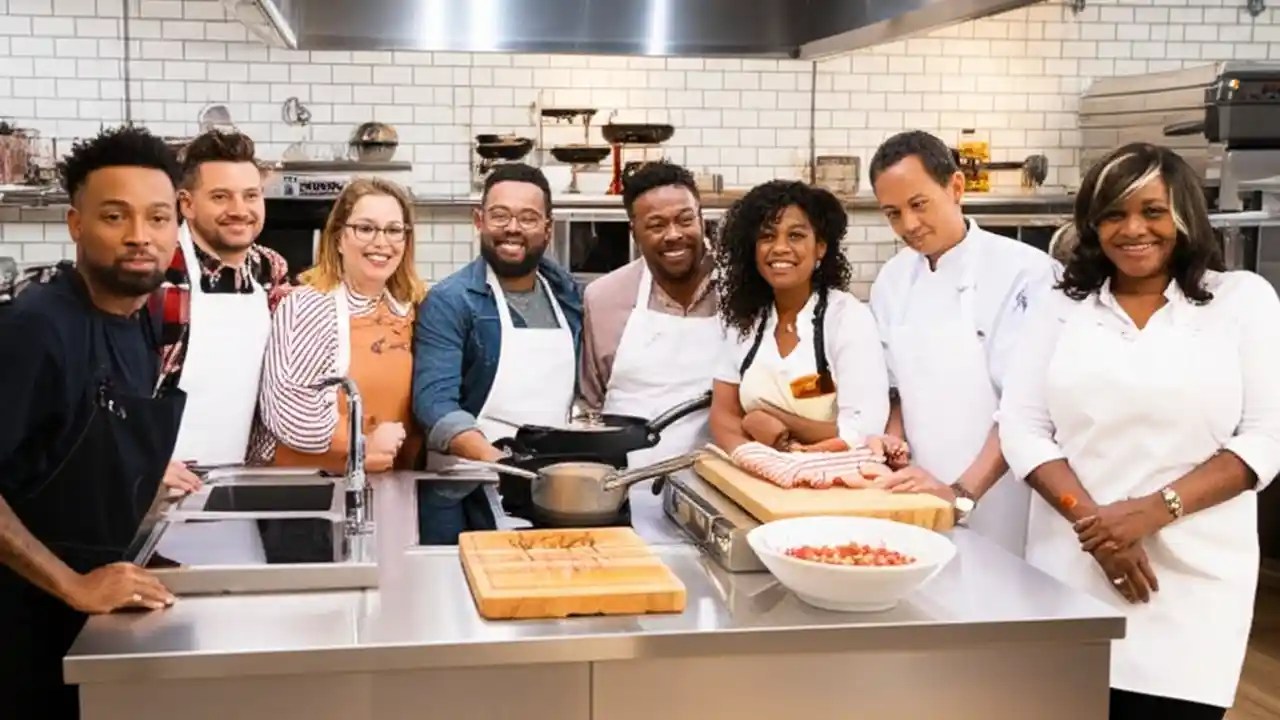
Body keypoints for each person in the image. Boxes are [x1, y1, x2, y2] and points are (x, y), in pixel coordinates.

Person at [998, 143, 1280, 720]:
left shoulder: (1241, 301)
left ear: (1185, 216)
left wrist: (1155, 511)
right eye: (1113, 214)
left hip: (1193, 590)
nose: (1133, 230)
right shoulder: (1061, 306)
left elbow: (1264, 438)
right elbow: (1024, 428)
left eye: (1152, 211)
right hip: (1070, 571)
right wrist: (1096, 527)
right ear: (1093, 225)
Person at [0, 126, 185, 718]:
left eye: (158, 218)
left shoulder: (144, 315)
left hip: (91, 608)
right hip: (24, 621)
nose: (140, 237)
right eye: (114, 216)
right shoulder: (36, 327)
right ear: (75, 223)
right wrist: (73, 584)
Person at [867, 130, 1058, 557]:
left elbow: (1025, 408)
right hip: (919, 496)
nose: (909, 225)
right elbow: (896, 388)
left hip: (1004, 496)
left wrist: (962, 493)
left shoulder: (1026, 273)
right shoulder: (892, 281)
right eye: (893, 213)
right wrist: (892, 447)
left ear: (956, 187)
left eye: (919, 205)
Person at [413, 163, 582, 544]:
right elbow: (434, 402)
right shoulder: (451, 301)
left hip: (550, 490)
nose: (513, 228)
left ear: (548, 229)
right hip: (466, 491)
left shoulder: (567, 297)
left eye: (528, 218)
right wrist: (503, 465)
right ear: (479, 220)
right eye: (500, 215)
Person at [256, 178, 426, 472]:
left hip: (389, 479)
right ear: (338, 238)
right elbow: (288, 407)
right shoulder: (307, 305)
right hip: (308, 484)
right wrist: (360, 443)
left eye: (394, 230)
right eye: (365, 228)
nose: (381, 242)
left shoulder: (412, 308)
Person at [709, 180, 889, 454]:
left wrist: (776, 423)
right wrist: (756, 458)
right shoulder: (745, 320)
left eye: (795, 235)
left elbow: (861, 432)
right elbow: (723, 416)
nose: (780, 247)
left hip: (834, 481)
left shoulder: (847, 319)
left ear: (820, 248)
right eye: (767, 236)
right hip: (755, 477)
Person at [158, 129, 290, 493]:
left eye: (251, 196)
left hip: (238, 481)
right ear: (186, 204)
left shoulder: (270, 268)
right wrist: (142, 463)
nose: (239, 210)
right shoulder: (158, 271)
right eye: (220, 197)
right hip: (158, 487)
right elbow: (107, 384)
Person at [580, 161, 720, 467]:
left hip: (719, 485)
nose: (673, 235)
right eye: (656, 225)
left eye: (685, 220)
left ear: (702, 220)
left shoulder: (739, 293)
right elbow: (592, 403)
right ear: (634, 232)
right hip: (624, 486)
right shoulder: (604, 297)